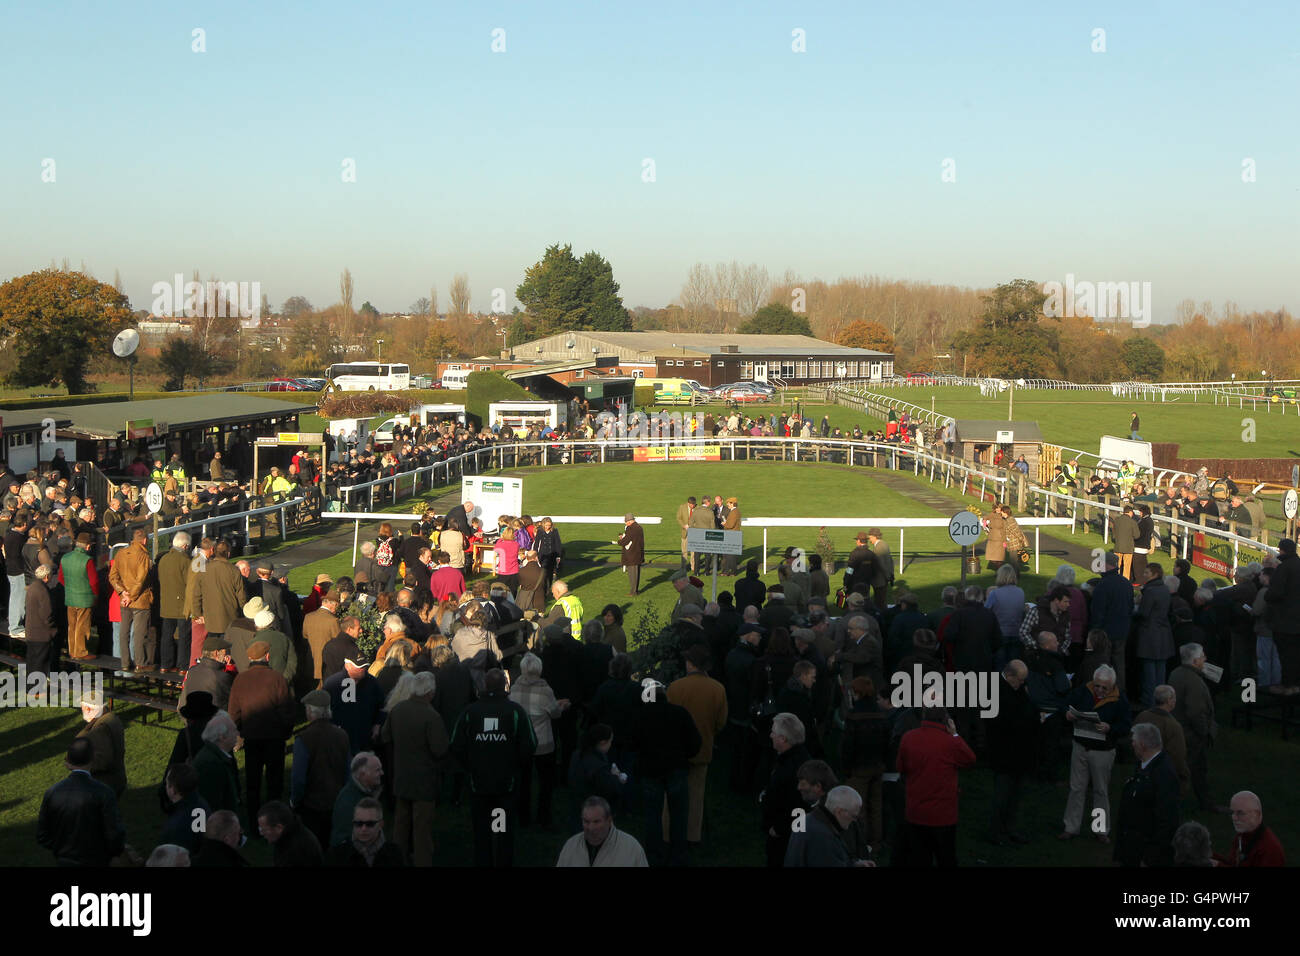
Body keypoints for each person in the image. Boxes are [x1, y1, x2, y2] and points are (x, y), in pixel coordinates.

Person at [450, 668, 537, 867]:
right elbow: (530, 744)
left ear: (484, 685)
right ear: (505, 686)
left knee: (481, 833)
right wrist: (515, 765)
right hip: (505, 785)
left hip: (478, 784)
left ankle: (485, 861)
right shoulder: (514, 711)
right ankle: (502, 861)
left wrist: (470, 766)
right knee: (501, 830)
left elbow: (456, 744)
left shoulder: (471, 711)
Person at [382, 671, 450, 866]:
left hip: (401, 777)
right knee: (422, 831)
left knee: (400, 826)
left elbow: (385, 737)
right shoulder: (432, 716)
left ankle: (397, 861)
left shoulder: (397, 710)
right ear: (429, 692)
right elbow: (440, 750)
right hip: (424, 781)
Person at [896, 706, 976, 866]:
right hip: (943, 815)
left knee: (919, 857)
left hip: (916, 811)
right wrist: (955, 734)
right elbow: (970, 759)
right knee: (946, 857)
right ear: (946, 720)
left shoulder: (909, 737)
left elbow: (900, 767)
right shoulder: (950, 742)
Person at [1060, 664, 1131, 844]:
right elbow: (1063, 704)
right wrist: (1067, 714)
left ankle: (1100, 830)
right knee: (1076, 788)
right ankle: (1071, 827)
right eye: (1097, 685)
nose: (1099, 690)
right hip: (1080, 747)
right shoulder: (1083, 691)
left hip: (1103, 751)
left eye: (1104, 688)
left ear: (1112, 686)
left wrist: (1110, 728)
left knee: (1100, 790)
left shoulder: (1120, 699)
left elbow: (1125, 726)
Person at [666, 645, 728, 846]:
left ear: (691, 664)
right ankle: (692, 835)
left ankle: (667, 833)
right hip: (702, 748)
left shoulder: (675, 687)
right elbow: (721, 722)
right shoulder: (718, 689)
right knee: (696, 795)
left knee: (671, 794)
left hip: (676, 750)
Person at [228, 640, 295, 820]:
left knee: (253, 782)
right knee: (274, 782)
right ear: (267, 657)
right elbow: (286, 711)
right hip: (274, 738)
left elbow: (234, 712)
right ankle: (274, 820)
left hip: (252, 738)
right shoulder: (277, 679)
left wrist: (240, 731)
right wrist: (286, 732)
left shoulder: (240, 679)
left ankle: (253, 820)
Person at [37, 737, 126, 866]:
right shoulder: (104, 793)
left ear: (68, 761)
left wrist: (62, 851)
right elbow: (114, 835)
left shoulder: (52, 792)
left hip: (64, 861)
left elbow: (43, 835)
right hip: (96, 861)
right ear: (92, 759)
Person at [509, 652, 569, 829]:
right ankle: (543, 817)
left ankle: (523, 818)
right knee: (545, 782)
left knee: (524, 782)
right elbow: (555, 713)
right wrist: (562, 705)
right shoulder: (545, 691)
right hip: (543, 742)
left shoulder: (515, 689)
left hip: (523, 742)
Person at [1114, 723, 1181, 867]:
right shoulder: (1144, 766)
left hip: (1146, 853)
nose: (1132, 744)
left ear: (1142, 745)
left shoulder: (1163, 774)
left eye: (1134, 741)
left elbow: (1167, 821)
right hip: (1133, 848)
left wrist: (1151, 857)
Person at [291, 689, 351, 849]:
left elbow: (298, 778)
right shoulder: (342, 735)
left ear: (310, 712)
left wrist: (295, 801)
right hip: (337, 803)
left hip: (312, 806)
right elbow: (348, 772)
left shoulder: (303, 739)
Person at [986, 660, 1037, 846]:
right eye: (1021, 680)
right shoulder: (995, 692)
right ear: (1010, 676)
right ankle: (997, 831)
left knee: (1015, 795)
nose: (1023, 684)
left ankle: (1009, 828)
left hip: (1018, 751)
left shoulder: (1016, 690)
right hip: (1004, 752)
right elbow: (998, 723)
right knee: (1003, 795)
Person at [1168, 643, 1223, 813]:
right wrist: (1204, 732)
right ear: (1195, 660)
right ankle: (1171, 805)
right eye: (1203, 656)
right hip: (1191, 735)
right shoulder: (1193, 682)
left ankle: (1206, 803)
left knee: (1197, 770)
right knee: (1188, 772)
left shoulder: (1176, 673)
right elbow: (1195, 713)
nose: (1205, 659)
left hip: (1179, 731)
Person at [761, 712, 811, 867]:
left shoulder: (794, 768)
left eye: (773, 732)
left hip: (785, 839)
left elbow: (800, 804)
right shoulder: (792, 758)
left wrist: (779, 828)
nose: (770, 735)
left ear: (783, 739)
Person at [785, 785, 871, 867]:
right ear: (839, 812)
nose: (854, 821)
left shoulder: (810, 819)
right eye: (854, 816)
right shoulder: (823, 836)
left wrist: (854, 864)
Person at [556, 795, 648, 867]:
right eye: (586, 821)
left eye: (596, 822)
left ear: (609, 820)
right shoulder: (571, 846)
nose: (591, 828)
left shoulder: (631, 849)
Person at [1135, 685, 1191, 801]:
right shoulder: (1173, 726)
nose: (1175, 700)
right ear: (1169, 701)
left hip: (1141, 772)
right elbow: (1178, 756)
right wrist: (1184, 777)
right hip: (1163, 778)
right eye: (1174, 697)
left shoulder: (1142, 716)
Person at [326, 797, 407, 867]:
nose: (363, 829)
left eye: (370, 824)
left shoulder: (395, 854)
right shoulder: (338, 855)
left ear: (381, 825)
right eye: (359, 824)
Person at [1135, 563, 1174, 708]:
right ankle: (1162, 701)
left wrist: (1136, 607)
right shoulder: (1164, 588)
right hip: (1163, 634)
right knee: (1160, 670)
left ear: (1154, 574)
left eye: (1146, 572)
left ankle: (1150, 702)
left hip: (1150, 634)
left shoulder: (1150, 591)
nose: (1144, 575)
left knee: (1149, 672)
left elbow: (1143, 613)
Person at [1215, 791, 1286, 866]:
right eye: (1232, 813)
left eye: (1240, 813)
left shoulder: (1269, 849)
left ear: (1257, 814)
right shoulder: (1243, 836)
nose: (1234, 818)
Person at [76, 692, 126, 798]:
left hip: (105, 785)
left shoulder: (100, 729)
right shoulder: (112, 718)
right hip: (115, 779)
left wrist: (78, 765)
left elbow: (103, 761)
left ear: (88, 709)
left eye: (82, 707)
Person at [331, 751, 384, 848]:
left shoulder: (365, 792)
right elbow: (344, 839)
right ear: (363, 774)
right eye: (377, 770)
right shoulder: (348, 803)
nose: (382, 773)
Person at [157, 531, 193, 672]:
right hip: (182, 605)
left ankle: (165, 665)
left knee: (167, 636)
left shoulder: (164, 559)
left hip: (166, 602)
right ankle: (182, 666)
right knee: (184, 637)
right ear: (185, 546)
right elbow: (190, 584)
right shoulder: (185, 561)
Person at [58, 531, 98, 659]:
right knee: (82, 626)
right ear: (87, 546)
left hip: (70, 596)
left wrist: (70, 587)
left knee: (72, 625)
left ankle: (73, 650)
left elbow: (61, 578)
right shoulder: (88, 560)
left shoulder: (65, 558)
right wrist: (95, 594)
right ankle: (81, 651)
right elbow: (94, 582)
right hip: (85, 597)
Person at [258, 800, 324, 866]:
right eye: (260, 828)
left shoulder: (295, 852)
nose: (261, 833)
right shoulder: (290, 831)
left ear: (278, 828)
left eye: (264, 830)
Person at [614, 513, 644, 596]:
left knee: (632, 575)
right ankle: (634, 591)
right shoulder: (639, 527)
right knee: (636, 574)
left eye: (626, 522)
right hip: (638, 553)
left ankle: (633, 592)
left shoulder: (631, 529)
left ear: (630, 521)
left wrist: (619, 541)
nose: (625, 523)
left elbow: (626, 540)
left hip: (632, 554)